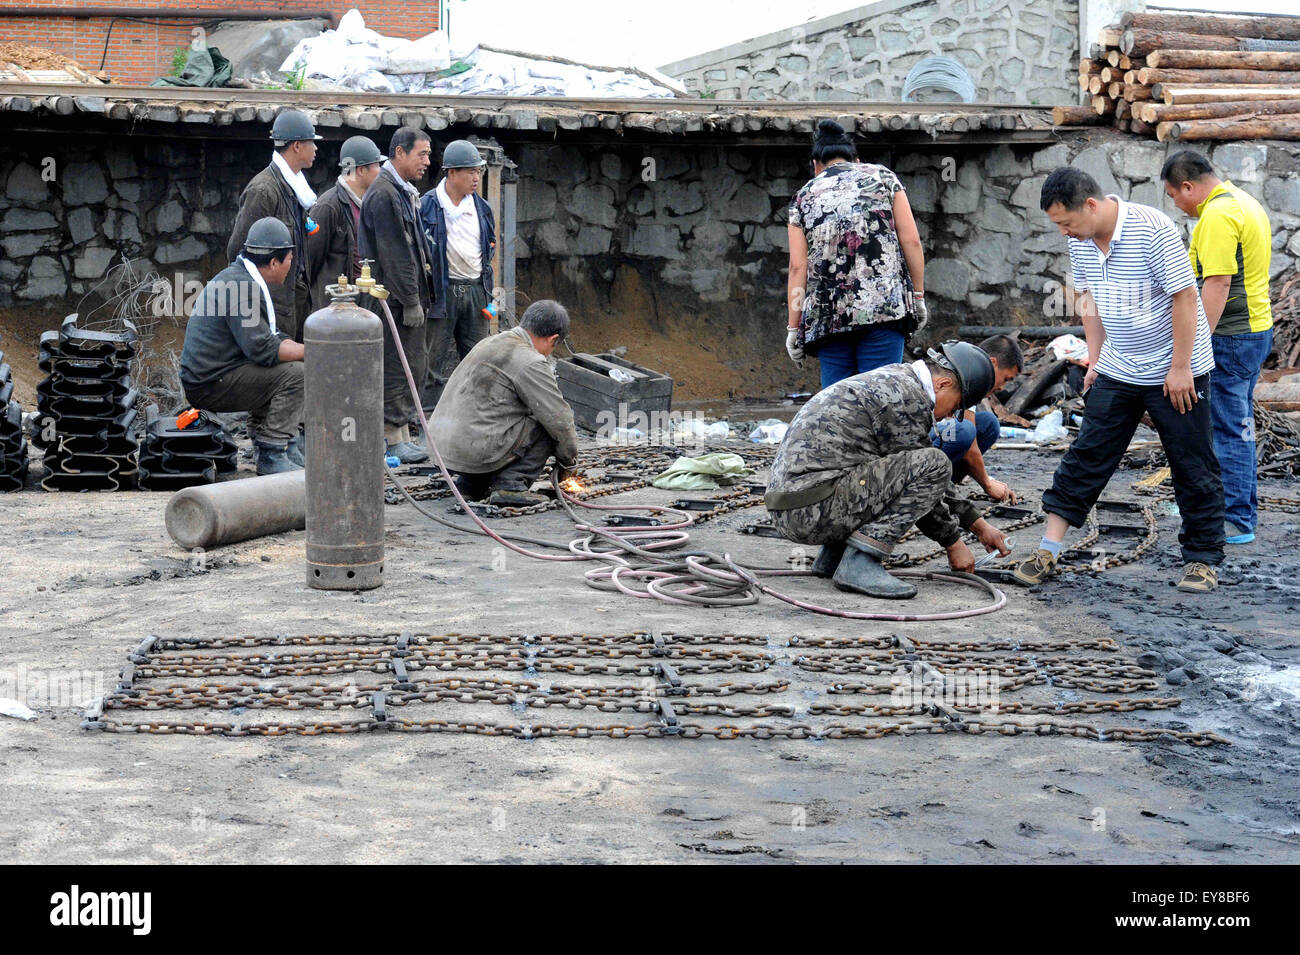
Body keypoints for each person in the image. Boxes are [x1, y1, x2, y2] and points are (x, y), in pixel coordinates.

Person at [1014, 167, 1223, 593]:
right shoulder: (1084, 242)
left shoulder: (1153, 230)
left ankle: (1202, 560)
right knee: (1088, 453)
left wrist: (1181, 367)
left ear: (1091, 205)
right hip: (1119, 365)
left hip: (1175, 366)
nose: (1064, 233)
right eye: (1057, 226)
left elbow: (1185, 297)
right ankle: (1047, 550)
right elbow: (1088, 299)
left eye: (1067, 223)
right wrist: (1095, 357)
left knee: (1192, 461)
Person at [764, 341, 1010, 600]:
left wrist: (978, 526)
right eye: (955, 406)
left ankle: (835, 556)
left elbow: (903, 472)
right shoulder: (906, 398)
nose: (950, 416)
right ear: (943, 384)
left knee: (895, 466)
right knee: (935, 464)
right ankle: (860, 562)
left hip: (796, 505)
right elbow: (925, 479)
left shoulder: (899, 380)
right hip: (807, 511)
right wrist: (954, 543)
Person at [1162, 150, 1274, 545]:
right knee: (1231, 424)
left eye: (1174, 195)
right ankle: (1222, 506)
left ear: (1189, 186)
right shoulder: (1244, 202)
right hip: (1253, 329)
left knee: (1229, 428)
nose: (1176, 204)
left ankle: (1236, 518)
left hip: (1230, 336)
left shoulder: (1216, 216)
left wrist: (1195, 345)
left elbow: (1217, 283)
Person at [785, 119, 927, 389]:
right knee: (881, 400)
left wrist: (794, 328)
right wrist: (918, 296)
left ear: (816, 164)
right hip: (884, 311)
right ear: (857, 160)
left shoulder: (802, 197)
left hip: (829, 320)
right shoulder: (883, 178)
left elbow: (797, 267)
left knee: (839, 407)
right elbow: (911, 241)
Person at [180, 217, 306, 476]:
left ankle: (282, 445)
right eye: (290, 260)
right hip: (209, 384)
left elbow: (271, 337)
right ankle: (272, 451)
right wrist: (316, 351)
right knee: (297, 374)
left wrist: (302, 348)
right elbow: (263, 349)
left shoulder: (240, 278)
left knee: (289, 364)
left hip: (217, 375)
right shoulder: (243, 287)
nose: (291, 266)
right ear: (273, 262)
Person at [428, 300, 579, 508]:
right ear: (553, 339)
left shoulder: (489, 342)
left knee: (499, 416)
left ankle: (471, 484)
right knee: (547, 423)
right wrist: (568, 463)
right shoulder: (531, 360)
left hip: (442, 449)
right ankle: (511, 485)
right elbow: (560, 421)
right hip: (475, 452)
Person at [358, 126, 438, 464]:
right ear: (399, 153)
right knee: (396, 365)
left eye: (429, 154)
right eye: (422, 154)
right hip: (393, 301)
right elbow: (396, 254)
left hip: (404, 297)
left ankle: (401, 432)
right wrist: (410, 300)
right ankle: (391, 438)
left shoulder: (401, 191)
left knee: (413, 364)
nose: (427, 161)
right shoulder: (385, 194)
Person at [227, 108, 321, 343]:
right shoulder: (264, 190)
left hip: (294, 302)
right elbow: (238, 251)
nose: (316, 148)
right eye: (312, 142)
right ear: (297, 146)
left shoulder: (295, 189)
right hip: (272, 305)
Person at [420, 139, 497, 408]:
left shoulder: (481, 208)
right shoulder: (428, 206)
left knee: (479, 357)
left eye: (479, 171)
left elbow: (489, 249)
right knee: (433, 358)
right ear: (452, 173)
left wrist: (488, 294)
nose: (476, 178)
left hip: (475, 290)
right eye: (471, 172)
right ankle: (427, 416)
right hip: (442, 292)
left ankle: (475, 410)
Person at [929, 334, 1024, 503]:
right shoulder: (967, 375)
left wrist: (990, 479)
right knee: (963, 430)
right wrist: (988, 484)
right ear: (993, 363)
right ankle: (927, 483)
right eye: (1006, 379)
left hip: (936, 437)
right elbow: (970, 447)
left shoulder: (971, 374)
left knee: (988, 423)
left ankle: (947, 482)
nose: (1002, 387)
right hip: (916, 448)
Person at [305, 135, 385, 311]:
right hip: (337, 304)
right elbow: (310, 260)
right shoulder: (329, 206)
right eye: (377, 165)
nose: (381, 171)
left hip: (366, 300)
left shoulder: (370, 203)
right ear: (362, 170)